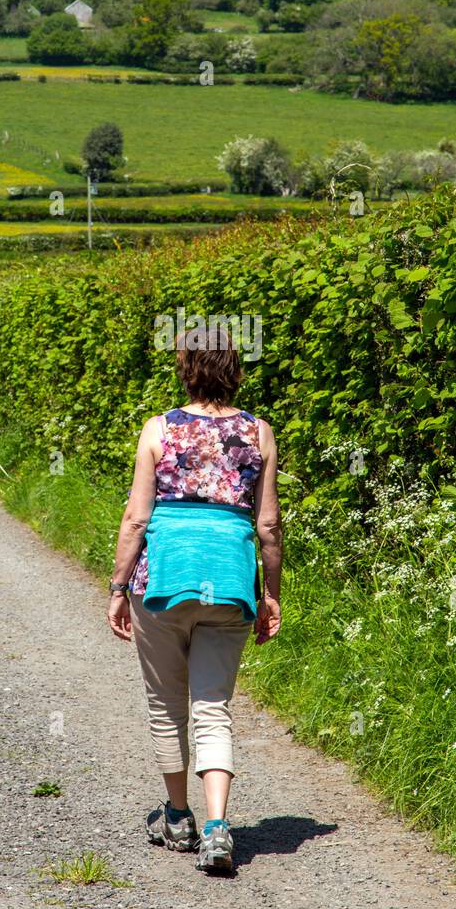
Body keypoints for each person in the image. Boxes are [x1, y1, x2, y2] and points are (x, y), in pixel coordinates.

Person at [106, 326, 282, 873]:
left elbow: (137, 517)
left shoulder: (158, 430)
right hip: (228, 579)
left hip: (163, 580)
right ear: (236, 370)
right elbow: (269, 525)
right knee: (213, 707)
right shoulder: (259, 432)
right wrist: (270, 594)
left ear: (185, 369)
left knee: (166, 704)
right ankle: (217, 827)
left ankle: (177, 816)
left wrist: (116, 586)